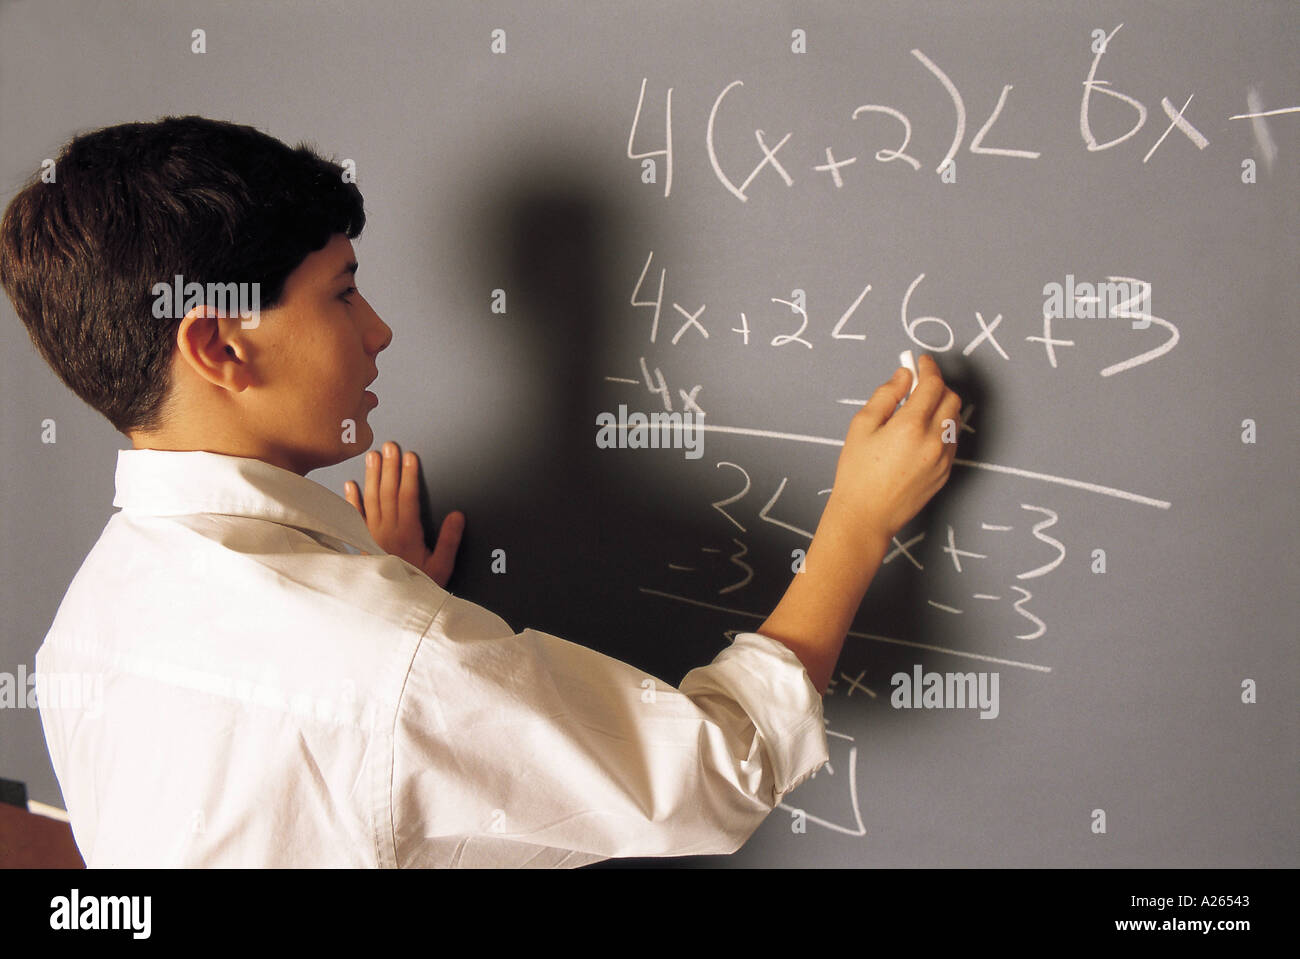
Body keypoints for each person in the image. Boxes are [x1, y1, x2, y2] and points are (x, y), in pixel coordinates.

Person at [0, 115, 961, 867]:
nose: (378, 331)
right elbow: (715, 772)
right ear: (217, 345)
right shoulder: (386, 665)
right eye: (341, 292)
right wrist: (857, 519)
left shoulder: (86, 624)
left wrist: (389, 594)